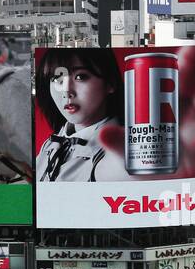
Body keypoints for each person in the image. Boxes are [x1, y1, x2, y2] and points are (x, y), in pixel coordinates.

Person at [34, 49, 126, 182]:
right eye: (57, 78)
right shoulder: (51, 144)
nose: (66, 91)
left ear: (110, 82)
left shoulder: (122, 150)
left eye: (80, 77)